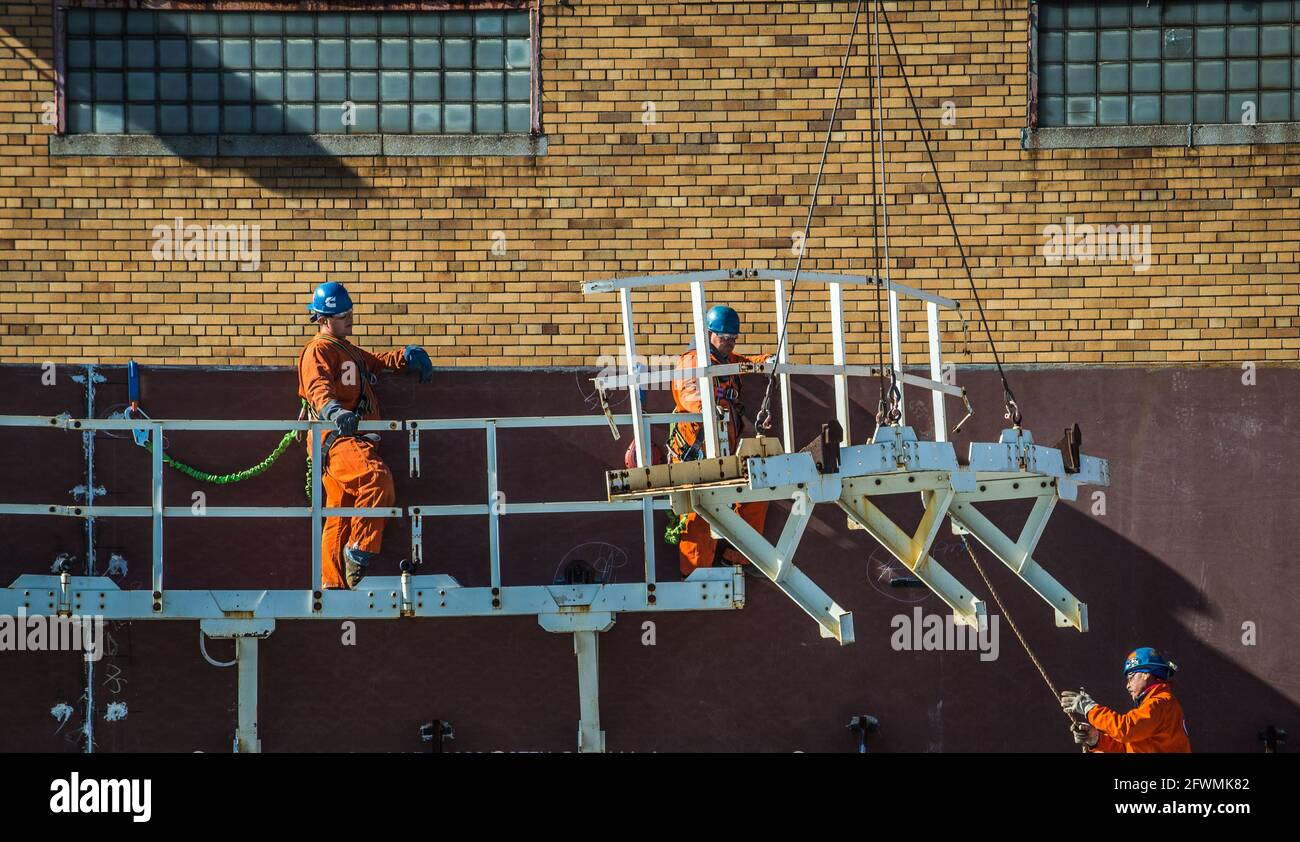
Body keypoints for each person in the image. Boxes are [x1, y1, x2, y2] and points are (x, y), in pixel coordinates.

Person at [296, 281, 433, 590]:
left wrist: (407, 356)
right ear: (323, 318)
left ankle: (333, 585)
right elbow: (317, 387)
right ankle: (359, 550)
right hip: (341, 440)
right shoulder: (318, 350)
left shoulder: (348, 350)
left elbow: (377, 362)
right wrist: (335, 412)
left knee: (340, 515)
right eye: (343, 314)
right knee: (377, 479)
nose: (350, 318)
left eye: (350, 312)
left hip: (345, 442)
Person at [668, 305, 770, 578]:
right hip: (696, 454)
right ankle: (693, 576)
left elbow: (746, 362)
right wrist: (710, 405)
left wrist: (768, 360)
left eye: (734, 338)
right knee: (699, 515)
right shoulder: (692, 361)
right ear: (709, 334)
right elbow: (689, 394)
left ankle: (737, 557)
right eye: (726, 338)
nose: (730, 343)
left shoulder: (724, 360)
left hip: (725, 450)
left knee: (756, 494)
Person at [1061, 647, 1192, 753]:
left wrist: (1089, 708)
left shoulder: (1159, 703)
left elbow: (1124, 729)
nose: (1127, 685)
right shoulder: (1159, 704)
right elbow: (1128, 749)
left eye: (1131, 677)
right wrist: (1096, 739)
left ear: (1146, 674)